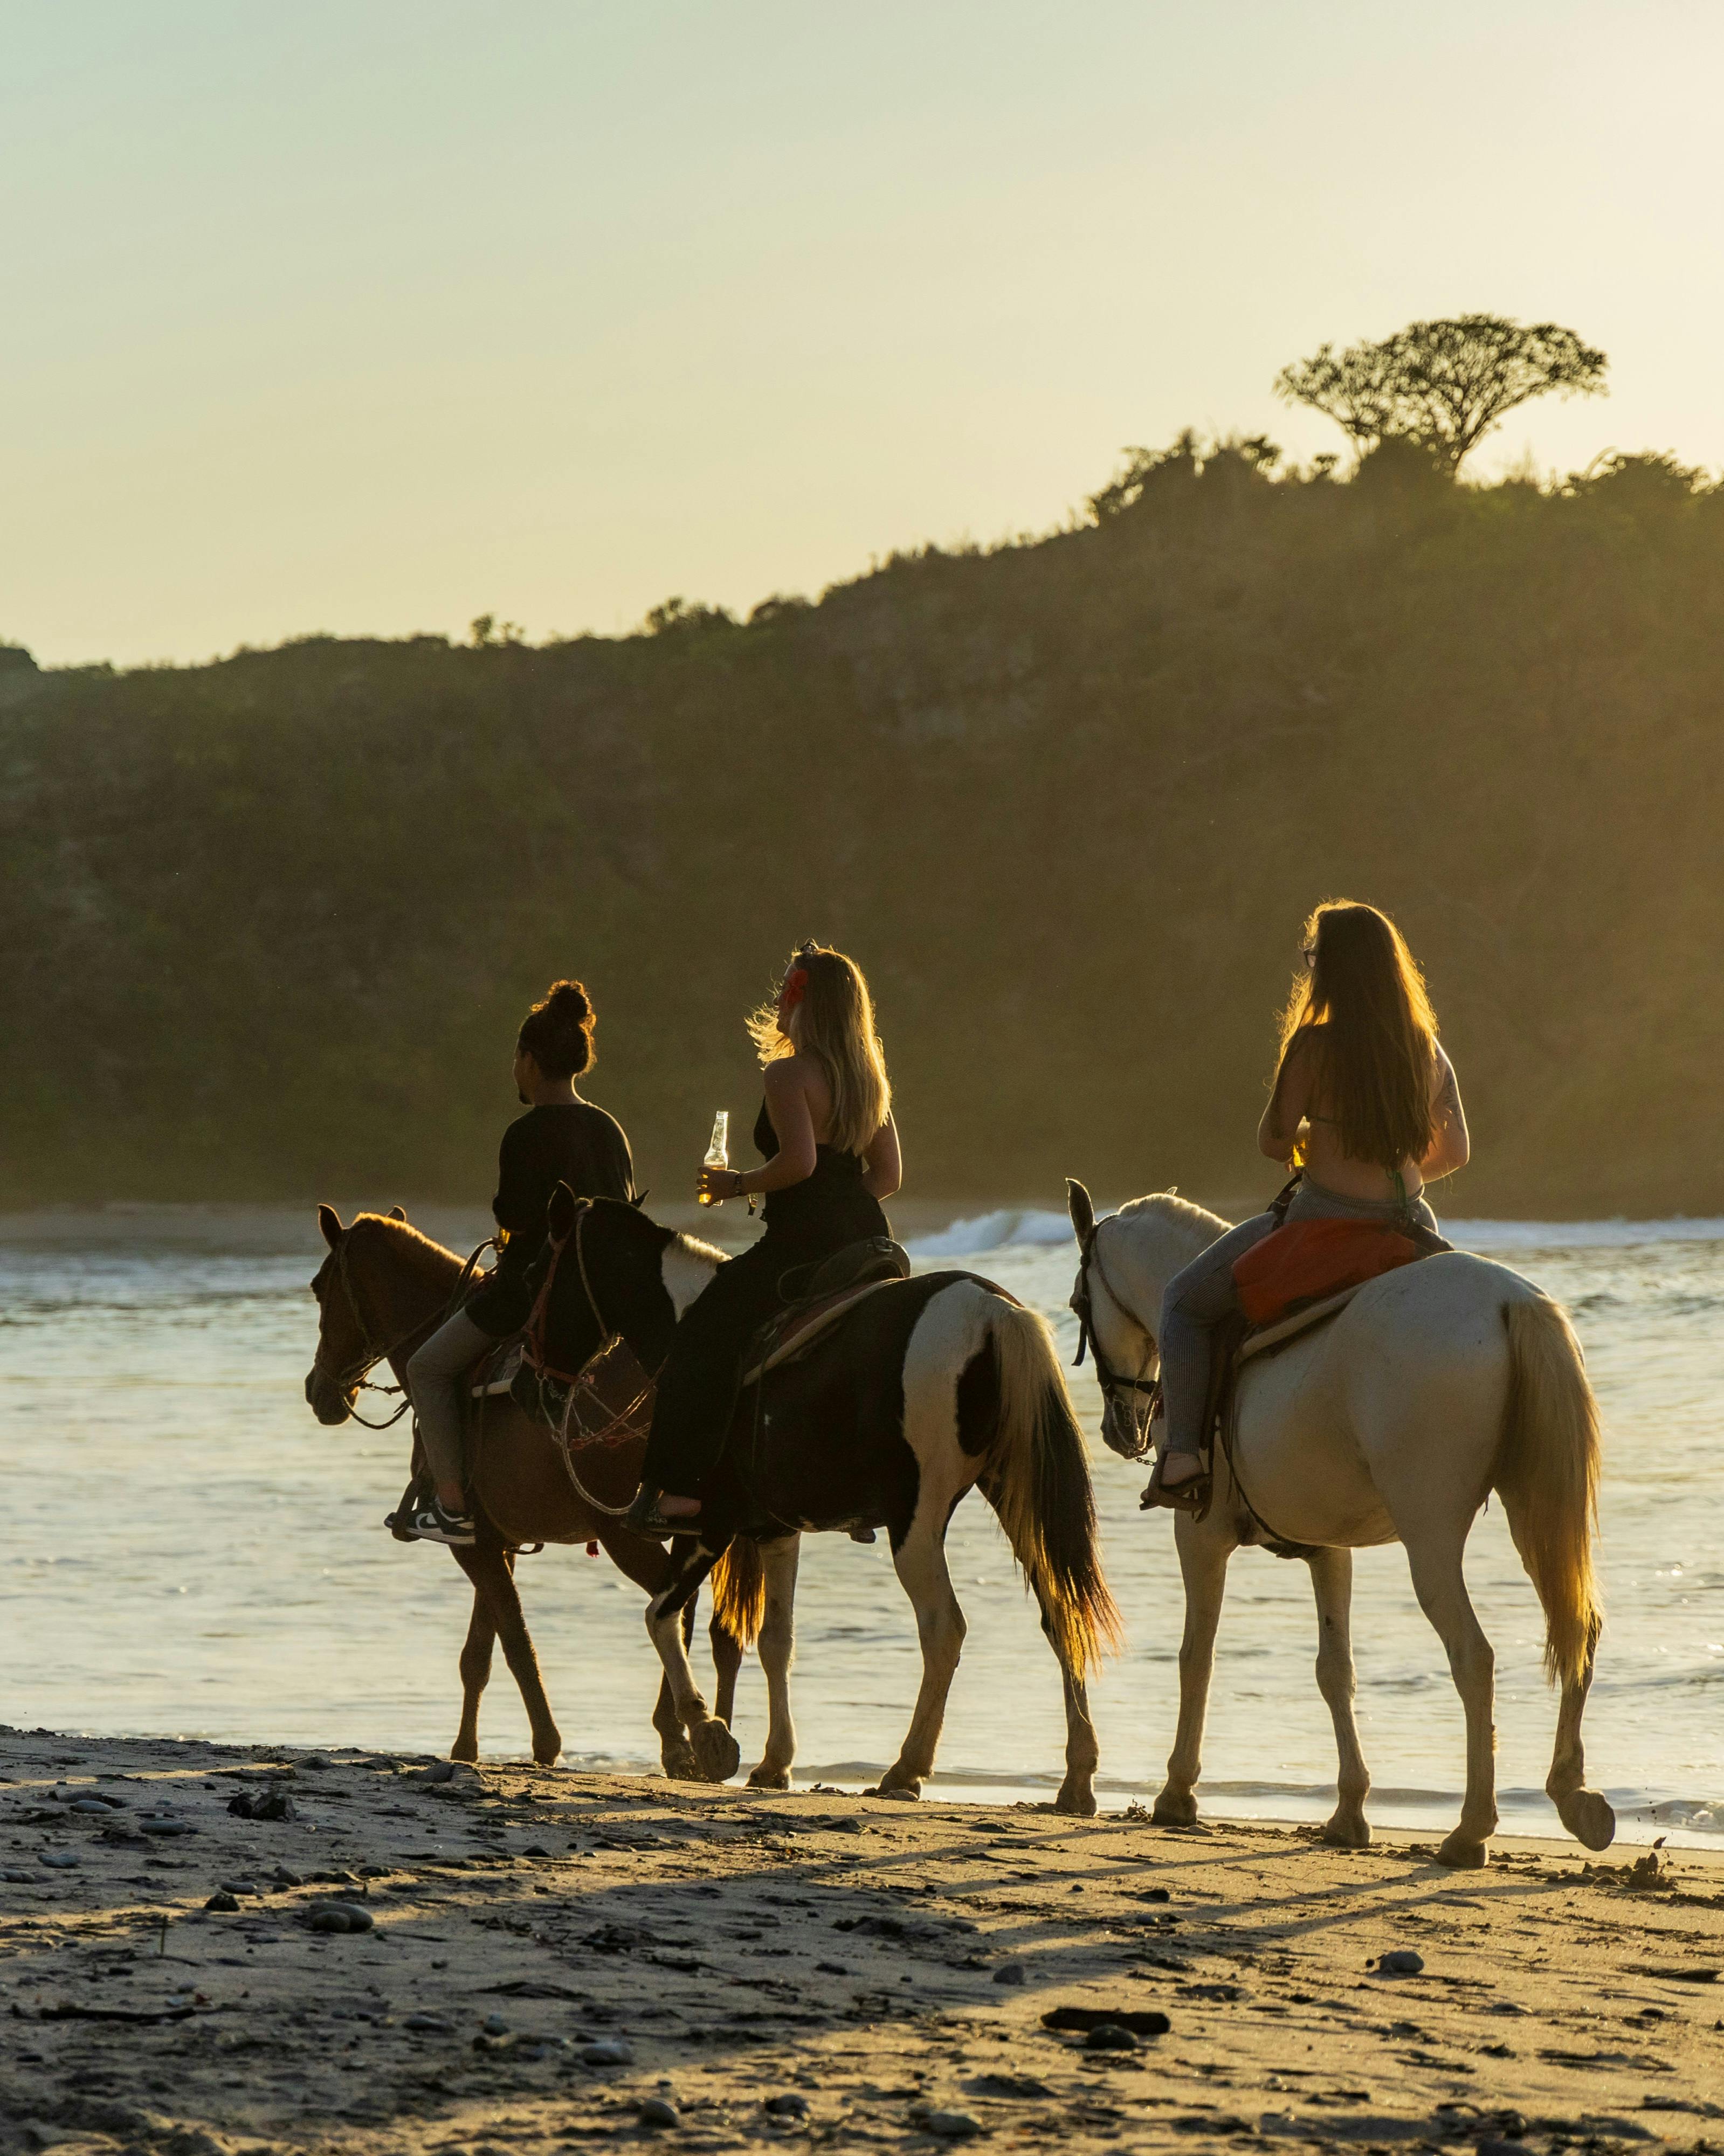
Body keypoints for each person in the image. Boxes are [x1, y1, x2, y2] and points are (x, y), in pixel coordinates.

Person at [1148, 900, 1470, 1510]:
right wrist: (1389, 1170)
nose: (1311, 966)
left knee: (1183, 1304)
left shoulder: (1314, 1048)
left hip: (1322, 1223)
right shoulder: (1427, 1050)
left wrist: (1313, 1148)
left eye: (1314, 957)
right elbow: (1454, 1150)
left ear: (1332, 970)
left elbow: (1273, 1141)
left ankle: (1184, 1455)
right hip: (1411, 1226)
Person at [625, 943, 902, 1536]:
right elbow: (888, 1176)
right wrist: (844, 1206)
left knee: (704, 1330)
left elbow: (799, 1163)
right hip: (869, 1239)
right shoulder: (869, 1076)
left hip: (804, 1244)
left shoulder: (788, 1074)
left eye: (786, 988)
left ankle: (678, 1493)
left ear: (805, 1000)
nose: (777, 998)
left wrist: (736, 1184)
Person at [402, 979, 633, 1546]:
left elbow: (514, 1217)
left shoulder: (524, 1134)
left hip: (531, 1295)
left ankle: (452, 1503)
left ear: (531, 1062)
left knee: (426, 1369)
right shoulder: (609, 1129)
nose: (514, 1069)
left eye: (516, 1058)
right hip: (612, 1299)